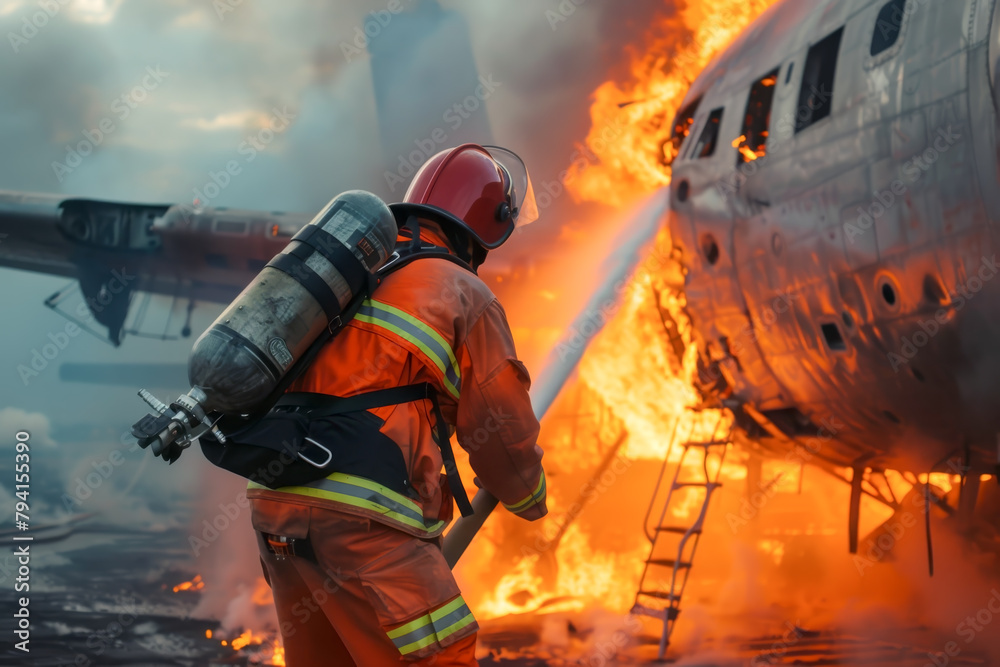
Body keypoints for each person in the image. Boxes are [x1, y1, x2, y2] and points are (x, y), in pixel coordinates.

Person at [248, 143, 548, 666]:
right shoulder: (461, 290)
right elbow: (498, 420)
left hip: (276, 505)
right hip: (365, 520)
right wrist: (528, 495)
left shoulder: (352, 275)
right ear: (485, 228)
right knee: (443, 653)